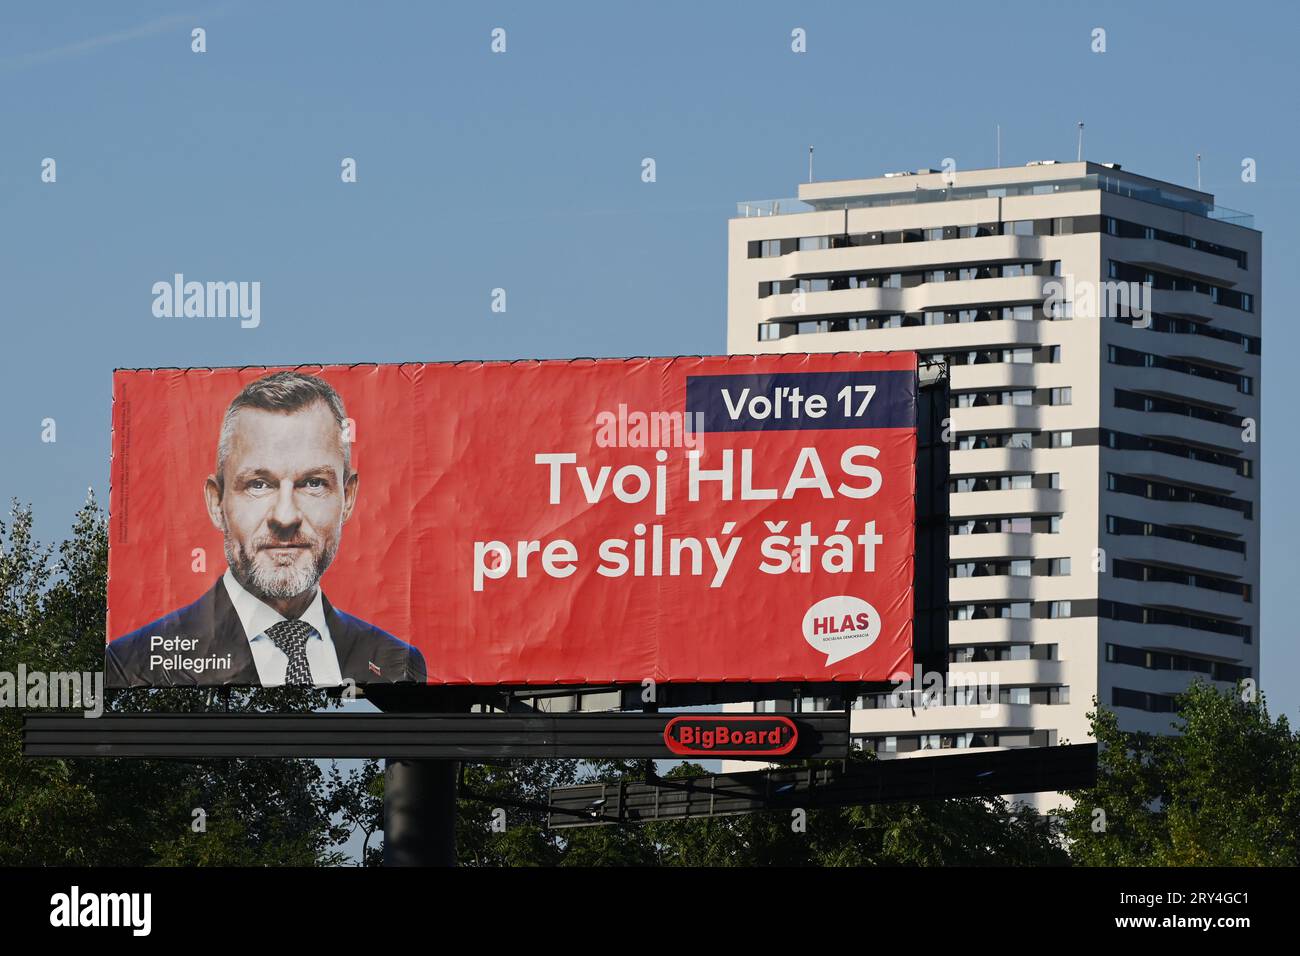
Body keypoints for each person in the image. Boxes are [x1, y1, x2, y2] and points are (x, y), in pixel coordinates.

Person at [106, 370, 426, 687]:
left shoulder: (394, 662)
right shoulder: (135, 663)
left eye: (313, 483)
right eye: (258, 485)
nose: (285, 517)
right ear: (217, 503)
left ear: (348, 497)